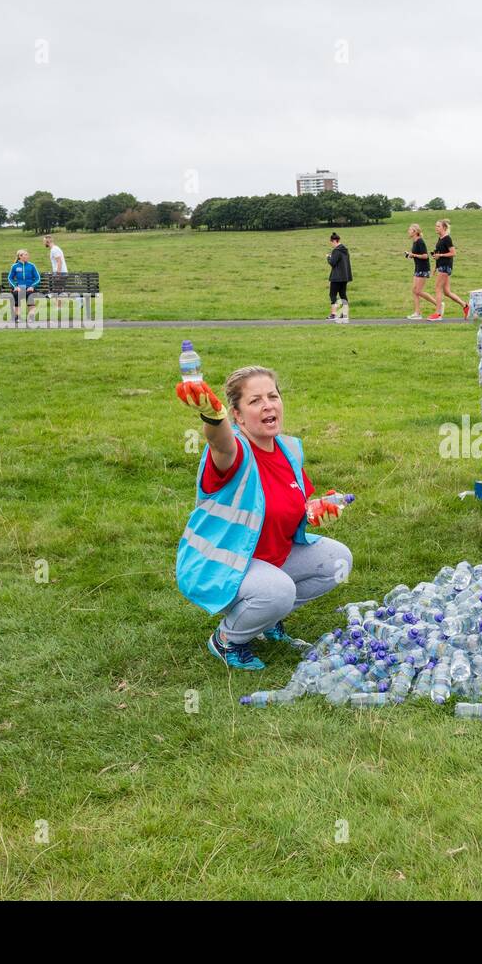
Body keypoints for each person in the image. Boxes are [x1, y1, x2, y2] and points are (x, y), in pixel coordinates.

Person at [174, 365, 354, 670]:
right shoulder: (235, 451)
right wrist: (213, 417)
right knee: (278, 592)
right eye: (255, 400)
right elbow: (220, 442)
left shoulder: (289, 449)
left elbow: (291, 504)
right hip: (220, 564)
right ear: (238, 415)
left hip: (266, 560)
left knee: (338, 561)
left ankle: (266, 620)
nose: (268, 404)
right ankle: (227, 639)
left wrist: (314, 510)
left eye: (273, 396)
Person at [426, 219, 470, 320]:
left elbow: (453, 253)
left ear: (444, 228)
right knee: (447, 292)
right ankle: (465, 306)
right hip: (441, 266)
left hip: (445, 266)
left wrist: (440, 255)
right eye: (436, 226)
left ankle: (438, 314)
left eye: (438, 226)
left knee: (437, 288)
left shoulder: (447, 239)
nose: (436, 228)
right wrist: (435, 267)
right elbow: (438, 255)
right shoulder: (440, 239)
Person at [404, 223, 439, 320]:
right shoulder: (415, 242)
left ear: (415, 232)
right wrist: (411, 255)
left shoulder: (420, 242)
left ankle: (438, 304)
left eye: (410, 230)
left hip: (423, 268)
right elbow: (417, 255)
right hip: (418, 268)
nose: (408, 231)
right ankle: (417, 313)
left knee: (418, 291)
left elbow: (425, 256)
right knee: (414, 291)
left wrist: (413, 255)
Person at [7, 249, 40, 323]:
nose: (27, 256)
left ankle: (31, 317)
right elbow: (10, 278)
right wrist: (15, 287)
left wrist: (32, 286)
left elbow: (38, 278)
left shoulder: (32, 266)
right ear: (20, 256)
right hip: (19, 288)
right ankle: (17, 317)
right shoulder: (14, 266)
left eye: (27, 254)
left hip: (29, 288)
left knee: (30, 295)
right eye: (25, 254)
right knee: (16, 294)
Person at [327, 232, 352, 322]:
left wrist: (328, 257)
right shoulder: (345, 250)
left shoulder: (336, 251)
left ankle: (334, 314)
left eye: (331, 242)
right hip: (345, 276)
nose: (331, 245)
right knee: (343, 295)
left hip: (336, 277)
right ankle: (344, 314)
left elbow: (333, 263)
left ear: (334, 241)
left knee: (332, 294)